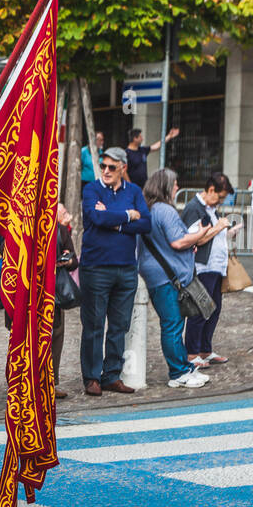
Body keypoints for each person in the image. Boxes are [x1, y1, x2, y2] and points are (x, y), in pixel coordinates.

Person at [140, 168, 228, 388]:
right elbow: (178, 242)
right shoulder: (165, 210)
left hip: (158, 273)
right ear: (165, 186)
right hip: (167, 277)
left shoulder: (149, 209)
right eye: (175, 183)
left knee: (173, 324)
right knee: (172, 325)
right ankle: (178, 372)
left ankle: (184, 368)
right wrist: (199, 234)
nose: (177, 187)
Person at [79, 146, 151, 396]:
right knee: (94, 325)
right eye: (103, 166)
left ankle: (111, 375)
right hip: (96, 268)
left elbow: (146, 223)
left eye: (112, 166)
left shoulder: (133, 190)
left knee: (120, 326)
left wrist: (117, 222)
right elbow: (96, 219)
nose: (106, 171)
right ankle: (91, 377)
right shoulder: (91, 189)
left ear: (123, 167)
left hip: (126, 269)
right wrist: (127, 215)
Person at [180, 173, 239, 367]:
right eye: (220, 197)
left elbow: (212, 236)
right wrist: (219, 227)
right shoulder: (194, 208)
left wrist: (228, 232)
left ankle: (205, 349)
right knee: (200, 310)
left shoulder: (209, 209)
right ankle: (192, 353)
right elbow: (197, 238)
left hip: (215, 266)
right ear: (211, 190)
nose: (220, 202)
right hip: (202, 266)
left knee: (214, 310)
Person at [53, 203, 80, 397]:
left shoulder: (61, 231)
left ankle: (50, 383)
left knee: (56, 337)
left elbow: (74, 262)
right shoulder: (25, 226)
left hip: (54, 292)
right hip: (30, 292)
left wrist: (66, 260)